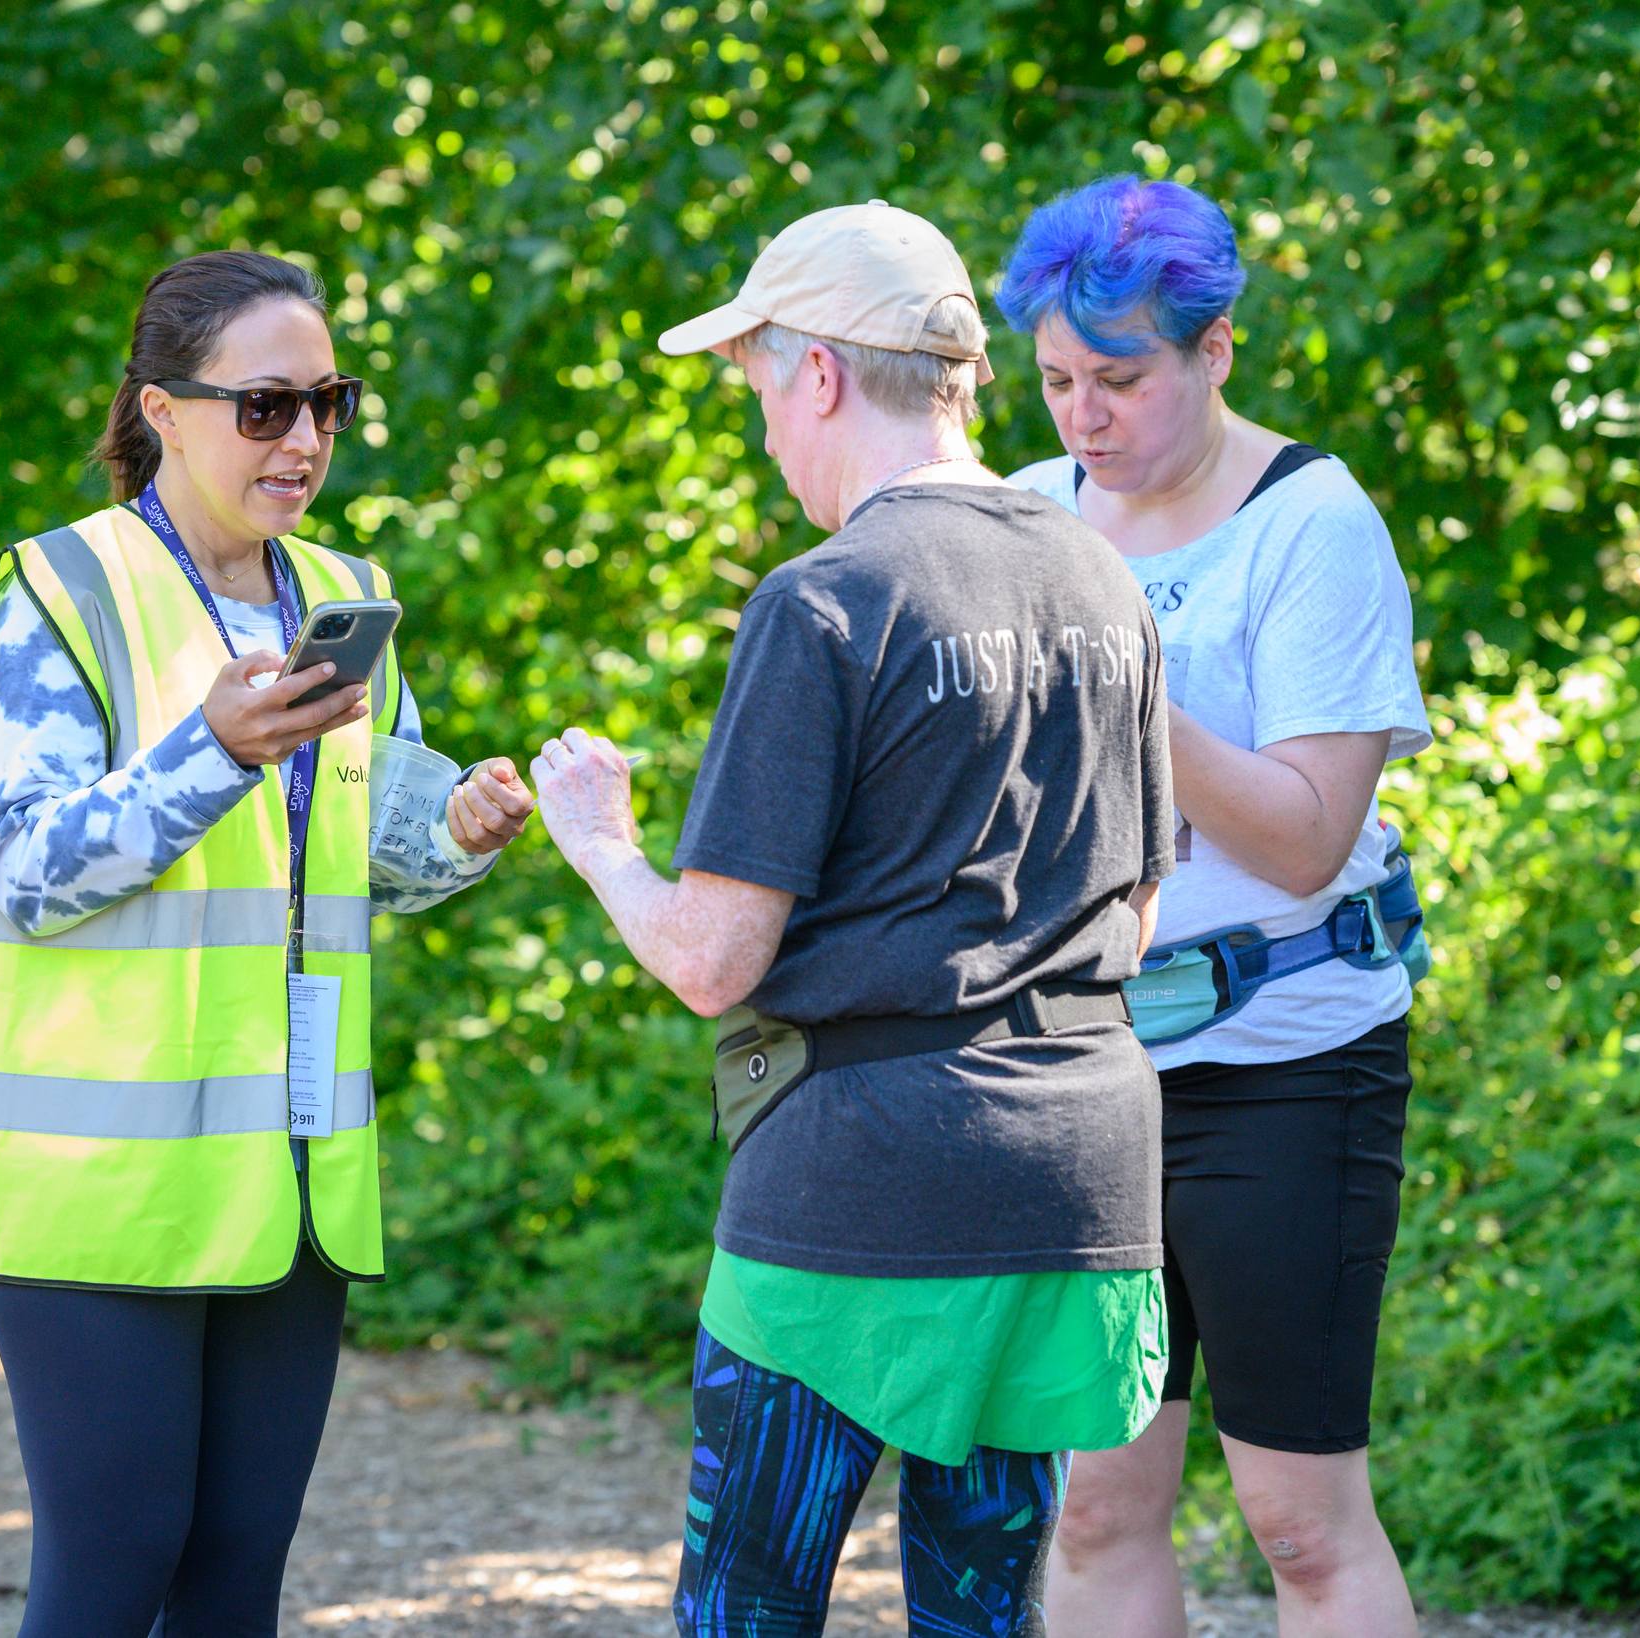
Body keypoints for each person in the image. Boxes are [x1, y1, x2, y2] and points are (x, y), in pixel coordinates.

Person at [532, 201, 1176, 1636]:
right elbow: (1139, 900)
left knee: (749, 1606)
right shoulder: (1104, 579)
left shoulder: (826, 597)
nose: (766, 435)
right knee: (982, 1613)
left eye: (762, 391)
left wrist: (602, 844)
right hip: (1078, 1186)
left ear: (818, 374)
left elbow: (712, 964)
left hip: (861, 1192)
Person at [0, 250, 533, 1637]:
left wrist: (463, 828)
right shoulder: (54, 593)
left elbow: (362, 853)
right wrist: (211, 750)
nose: (307, 437)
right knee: (114, 1564)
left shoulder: (340, 587)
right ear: (163, 410)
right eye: (266, 406)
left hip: (293, 1181)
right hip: (98, 1191)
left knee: (236, 1574)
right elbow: (30, 868)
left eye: (328, 400)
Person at [997, 176, 1432, 1637]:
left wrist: (1126, 672)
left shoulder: (1313, 523)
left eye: (1118, 379)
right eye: (1057, 380)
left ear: (1216, 350)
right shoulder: (1027, 515)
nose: (1082, 416)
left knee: (1300, 1525)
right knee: (1095, 1503)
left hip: (1288, 1066)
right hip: (1084, 1067)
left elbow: (1311, 841)